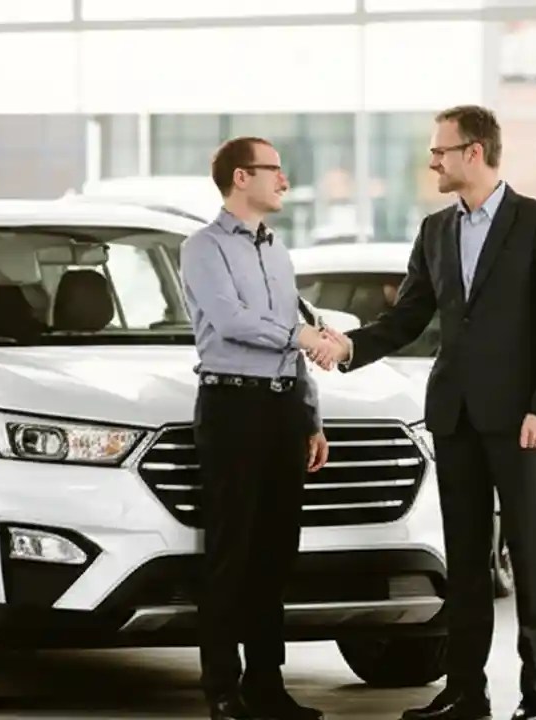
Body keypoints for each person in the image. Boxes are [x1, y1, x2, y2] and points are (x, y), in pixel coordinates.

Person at [313, 106, 536, 720]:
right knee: (464, 562)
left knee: (534, 559)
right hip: (455, 419)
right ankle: (465, 691)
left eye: (441, 151)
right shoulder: (437, 231)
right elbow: (408, 317)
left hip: (522, 422)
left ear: (475, 152)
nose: (432, 160)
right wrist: (350, 346)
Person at [180, 136, 334, 720]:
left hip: (280, 410)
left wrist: (310, 415)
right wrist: (301, 337)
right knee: (231, 553)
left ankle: (268, 686)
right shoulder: (204, 247)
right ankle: (223, 690)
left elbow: (295, 336)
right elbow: (232, 320)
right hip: (232, 408)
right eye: (275, 171)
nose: (285, 182)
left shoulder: (277, 251)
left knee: (275, 555)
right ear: (242, 177)